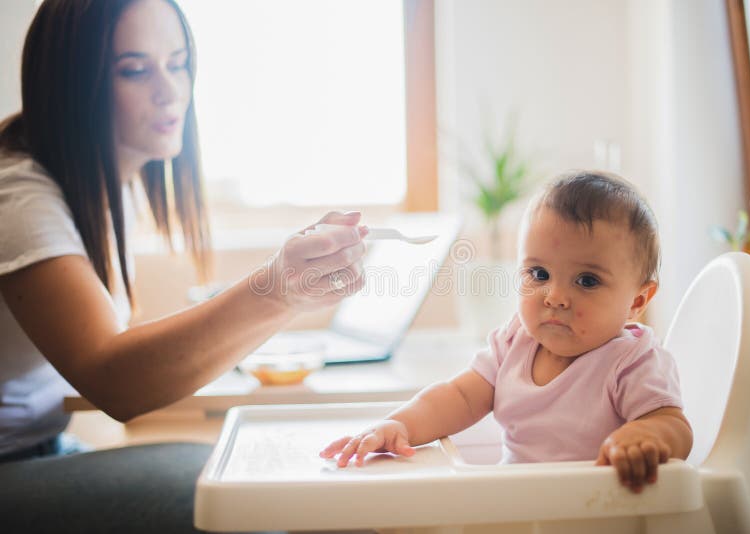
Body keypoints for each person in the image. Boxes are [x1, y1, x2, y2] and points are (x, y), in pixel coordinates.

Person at [0, 0, 365, 531]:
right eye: (134, 70)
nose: (170, 90)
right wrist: (280, 290)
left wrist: (285, 293)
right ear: (71, 84)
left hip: (46, 448)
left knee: (265, 473)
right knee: (227, 488)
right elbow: (113, 382)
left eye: (177, 62)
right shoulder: (21, 197)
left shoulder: (104, 186)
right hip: (15, 464)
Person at [321, 171, 693, 494]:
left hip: (594, 512)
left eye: (587, 280)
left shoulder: (631, 360)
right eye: (539, 274)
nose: (556, 297)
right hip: (519, 506)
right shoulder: (516, 341)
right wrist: (399, 424)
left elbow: (674, 425)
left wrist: (647, 437)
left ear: (638, 300)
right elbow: (459, 396)